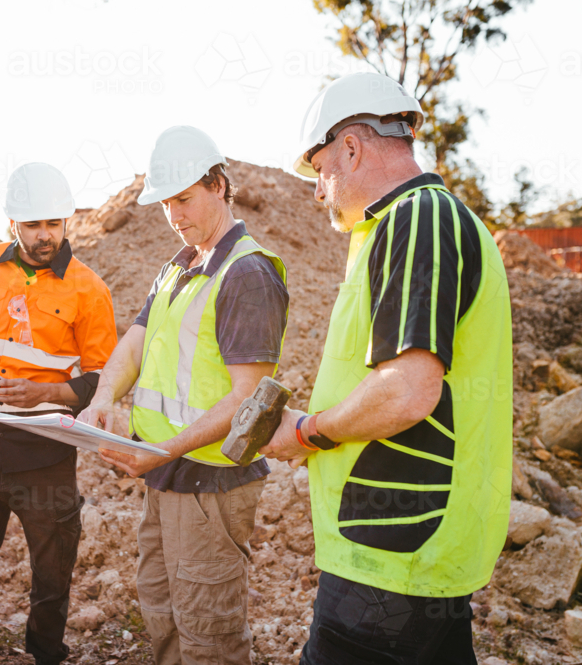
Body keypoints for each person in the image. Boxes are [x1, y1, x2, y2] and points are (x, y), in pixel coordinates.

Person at [259, 72, 513, 665]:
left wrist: (305, 432)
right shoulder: (413, 224)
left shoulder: (418, 218)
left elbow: (406, 391)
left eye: (319, 169)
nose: (318, 191)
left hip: (393, 544)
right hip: (414, 542)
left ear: (351, 147)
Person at [78, 125, 289, 665]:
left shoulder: (248, 274)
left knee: (209, 635)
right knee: (164, 613)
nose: (174, 214)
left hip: (211, 485)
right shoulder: (178, 266)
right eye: (166, 202)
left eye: (184, 198)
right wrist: (103, 396)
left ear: (219, 185)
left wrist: (162, 451)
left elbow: (247, 400)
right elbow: (134, 344)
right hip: (165, 476)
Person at [0, 162, 117, 665]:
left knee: (52, 583)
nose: (44, 235)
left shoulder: (89, 289)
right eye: (33, 225)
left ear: (66, 221)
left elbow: (102, 381)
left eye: (53, 224)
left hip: (47, 458)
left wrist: (43, 393)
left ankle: (46, 654)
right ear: (13, 223)